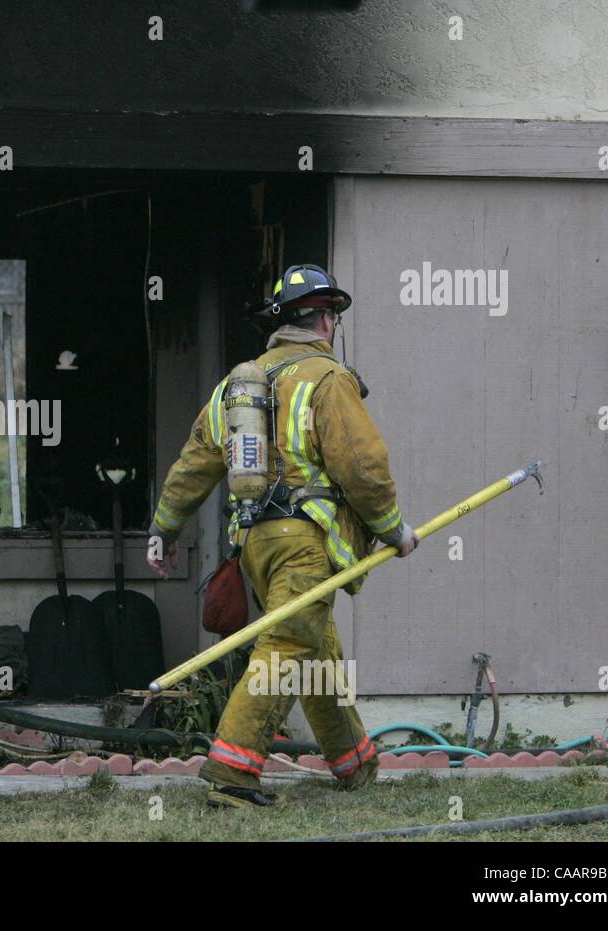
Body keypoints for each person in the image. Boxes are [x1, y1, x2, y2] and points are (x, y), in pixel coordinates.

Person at [147, 264, 417, 809]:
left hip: (255, 543)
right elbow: (362, 466)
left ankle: (355, 765)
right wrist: (393, 529)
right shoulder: (327, 378)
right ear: (326, 320)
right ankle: (232, 773)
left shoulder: (236, 387)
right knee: (287, 648)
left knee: (316, 651)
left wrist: (165, 527)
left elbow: (196, 460)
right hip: (304, 543)